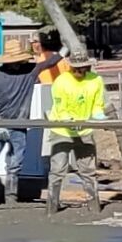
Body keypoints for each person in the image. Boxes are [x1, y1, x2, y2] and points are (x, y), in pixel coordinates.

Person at [47, 52, 108, 216]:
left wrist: (99, 116)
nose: (79, 72)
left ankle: (94, 206)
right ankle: (52, 206)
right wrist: (71, 121)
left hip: (85, 130)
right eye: (76, 69)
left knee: (88, 170)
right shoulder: (61, 82)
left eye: (82, 69)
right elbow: (61, 108)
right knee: (58, 169)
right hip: (62, 130)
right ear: (71, 67)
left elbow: (97, 105)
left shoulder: (96, 80)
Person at [0, 38, 38, 205]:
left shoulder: (29, 72)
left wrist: (61, 50)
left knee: (15, 163)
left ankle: (11, 196)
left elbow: (49, 62)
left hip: (19, 125)